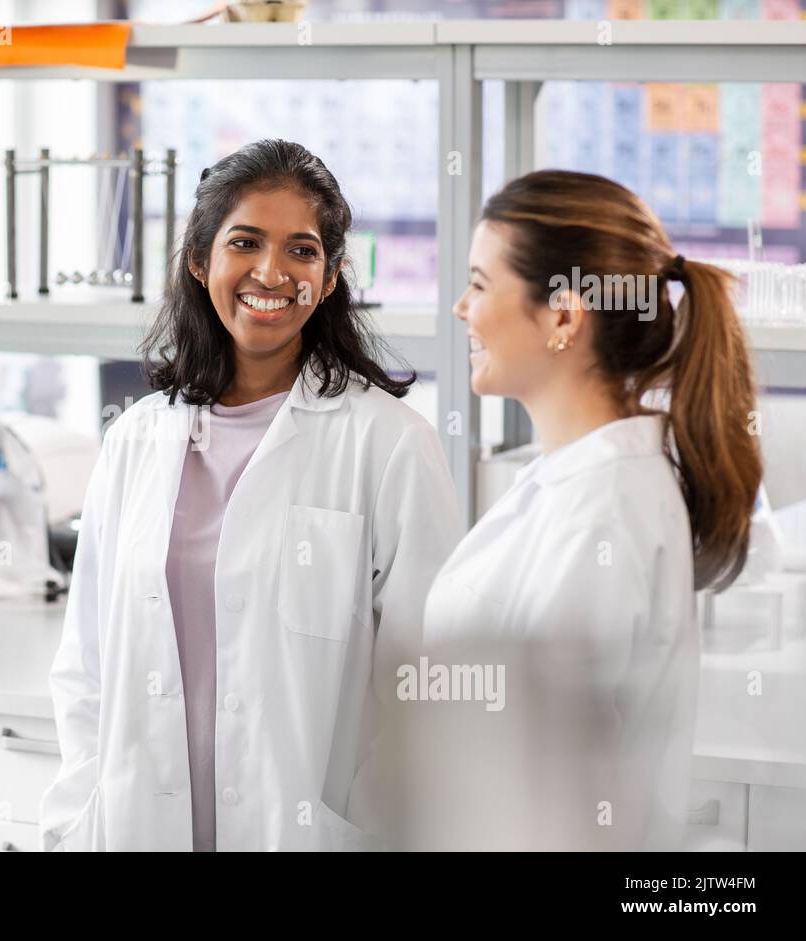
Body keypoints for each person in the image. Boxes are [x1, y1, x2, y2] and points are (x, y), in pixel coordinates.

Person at [40, 139, 462, 851]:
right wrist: (78, 816)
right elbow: (87, 667)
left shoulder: (389, 445)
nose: (273, 271)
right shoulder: (136, 440)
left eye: (302, 250)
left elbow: (427, 684)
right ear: (201, 261)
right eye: (246, 242)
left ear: (329, 279)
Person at [407, 169, 761, 850]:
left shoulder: (601, 516)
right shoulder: (582, 482)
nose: (460, 307)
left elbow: (547, 807)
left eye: (480, 284)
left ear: (565, 315)